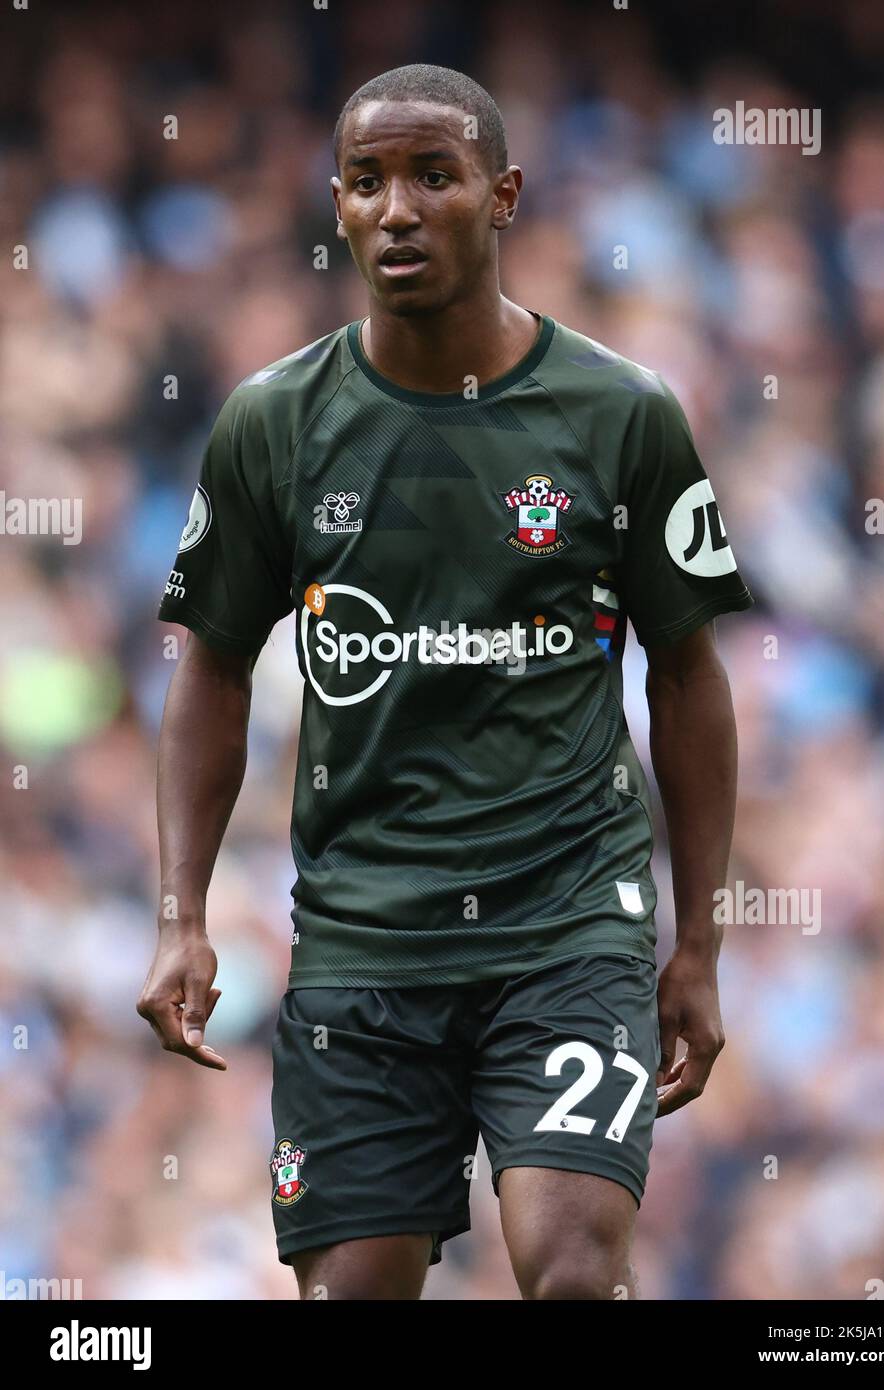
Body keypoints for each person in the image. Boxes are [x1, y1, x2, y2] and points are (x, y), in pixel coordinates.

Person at [138, 63, 753, 1301]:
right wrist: (181, 913)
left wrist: (701, 943)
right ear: (337, 205)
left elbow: (689, 677)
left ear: (504, 194)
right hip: (362, 939)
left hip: (568, 922)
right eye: (366, 182)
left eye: (434, 175)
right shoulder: (274, 423)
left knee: (575, 1272)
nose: (397, 210)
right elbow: (209, 667)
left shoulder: (619, 415)